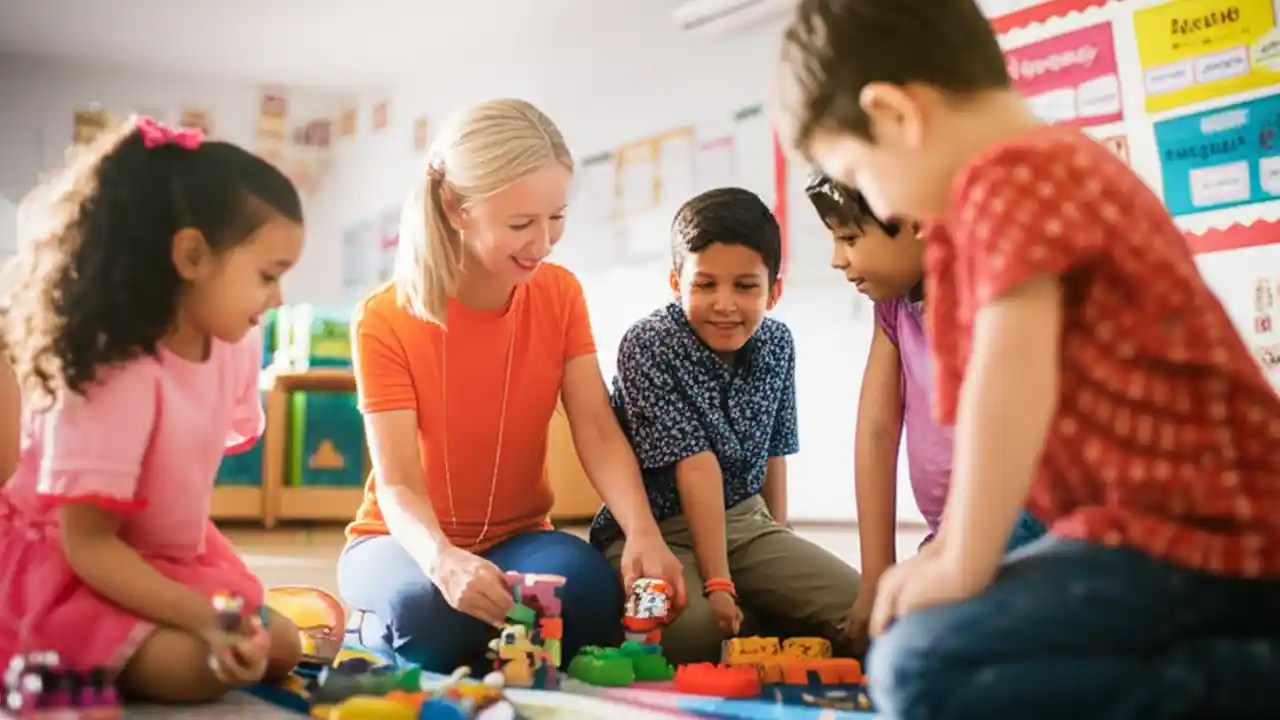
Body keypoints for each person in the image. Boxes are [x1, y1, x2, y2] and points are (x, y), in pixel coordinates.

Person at [776, 1, 1280, 718]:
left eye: (856, 170)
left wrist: (960, 562)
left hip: (1205, 537)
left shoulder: (1014, 177)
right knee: (924, 647)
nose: (873, 198)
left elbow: (1008, 379)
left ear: (895, 116)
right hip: (1155, 538)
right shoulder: (1018, 184)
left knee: (919, 663)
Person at [337, 98, 685, 675]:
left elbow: (595, 426)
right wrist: (443, 559)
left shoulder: (560, 293)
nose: (544, 242)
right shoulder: (383, 317)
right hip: (400, 543)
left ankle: (439, 632)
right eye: (521, 224)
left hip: (520, 539)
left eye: (557, 217)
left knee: (594, 599)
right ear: (455, 207)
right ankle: (377, 625)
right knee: (432, 617)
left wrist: (642, 529)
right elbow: (397, 485)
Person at [0, 117, 304, 702]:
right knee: (198, 669)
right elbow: (87, 545)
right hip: (70, 564)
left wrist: (207, 615)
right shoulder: (112, 373)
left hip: (155, 556)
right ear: (191, 256)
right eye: (268, 276)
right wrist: (201, 618)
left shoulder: (232, 346)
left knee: (281, 646)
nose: (278, 299)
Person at [590, 187, 861, 664]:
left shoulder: (777, 343)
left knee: (860, 611)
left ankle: (755, 612)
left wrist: (782, 538)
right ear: (676, 283)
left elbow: (777, 448)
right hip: (660, 530)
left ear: (774, 290)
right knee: (689, 636)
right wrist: (718, 585)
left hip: (745, 523)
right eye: (705, 284)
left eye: (745, 286)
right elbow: (696, 467)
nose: (725, 304)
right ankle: (748, 612)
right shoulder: (649, 343)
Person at [804, 173, 1045, 654]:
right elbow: (877, 430)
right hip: (948, 536)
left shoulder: (989, 294)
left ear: (912, 222)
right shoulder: (893, 308)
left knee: (924, 651)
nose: (837, 259)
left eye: (849, 238)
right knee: (901, 632)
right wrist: (876, 572)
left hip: (1018, 525)